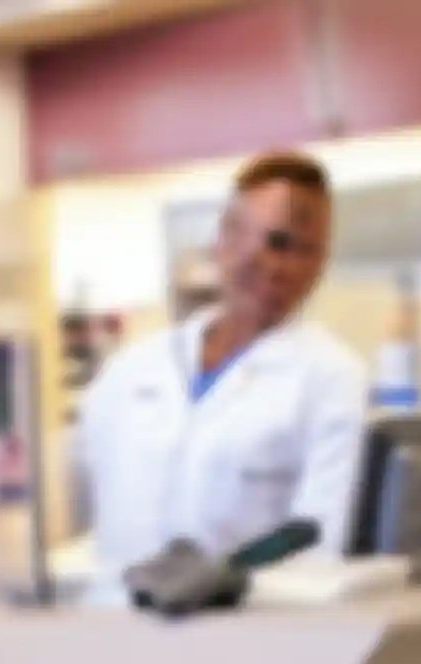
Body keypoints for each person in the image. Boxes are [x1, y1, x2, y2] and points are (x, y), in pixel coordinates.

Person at [76, 151, 367, 603]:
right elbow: (94, 502)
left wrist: (229, 578)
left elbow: (320, 537)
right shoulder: (131, 371)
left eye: (305, 250)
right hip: (110, 628)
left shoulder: (331, 378)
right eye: (272, 241)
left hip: (240, 638)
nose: (282, 266)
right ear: (227, 238)